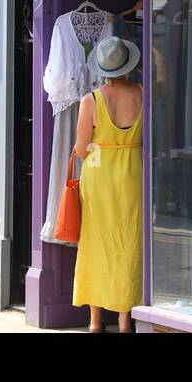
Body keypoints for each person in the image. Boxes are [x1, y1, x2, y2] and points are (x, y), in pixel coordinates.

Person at [71, 36, 144, 333]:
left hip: (100, 178)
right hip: (133, 175)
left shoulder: (92, 100)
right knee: (129, 242)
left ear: (102, 70)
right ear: (127, 65)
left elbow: (82, 146)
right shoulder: (142, 93)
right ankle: (126, 320)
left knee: (96, 243)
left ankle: (95, 320)